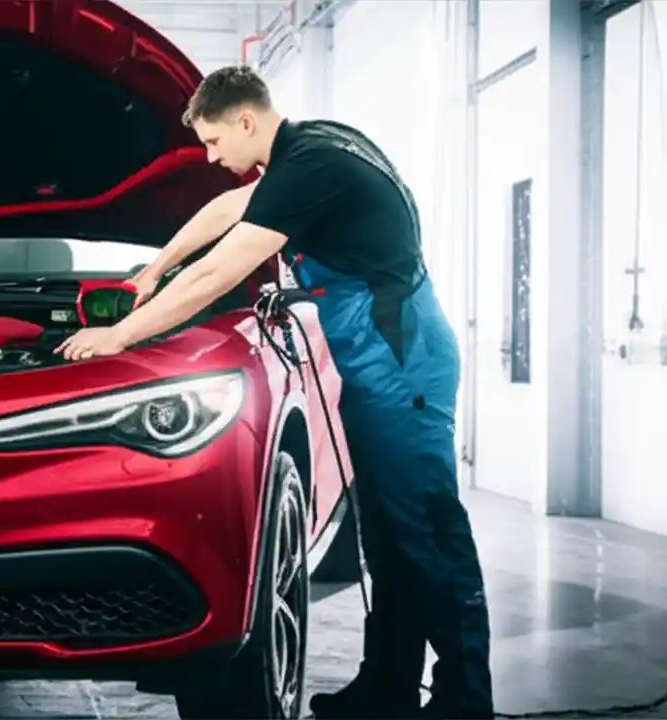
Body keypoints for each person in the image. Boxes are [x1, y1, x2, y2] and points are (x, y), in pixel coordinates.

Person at [55, 65, 495, 719]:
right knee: (384, 532)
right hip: (379, 363)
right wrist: (153, 268)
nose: (211, 159)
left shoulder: (312, 166)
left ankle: (465, 700)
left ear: (245, 121)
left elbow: (219, 271)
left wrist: (121, 336)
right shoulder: (306, 148)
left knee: (428, 532)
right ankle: (389, 687)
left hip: (404, 363)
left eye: (212, 143)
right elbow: (224, 213)